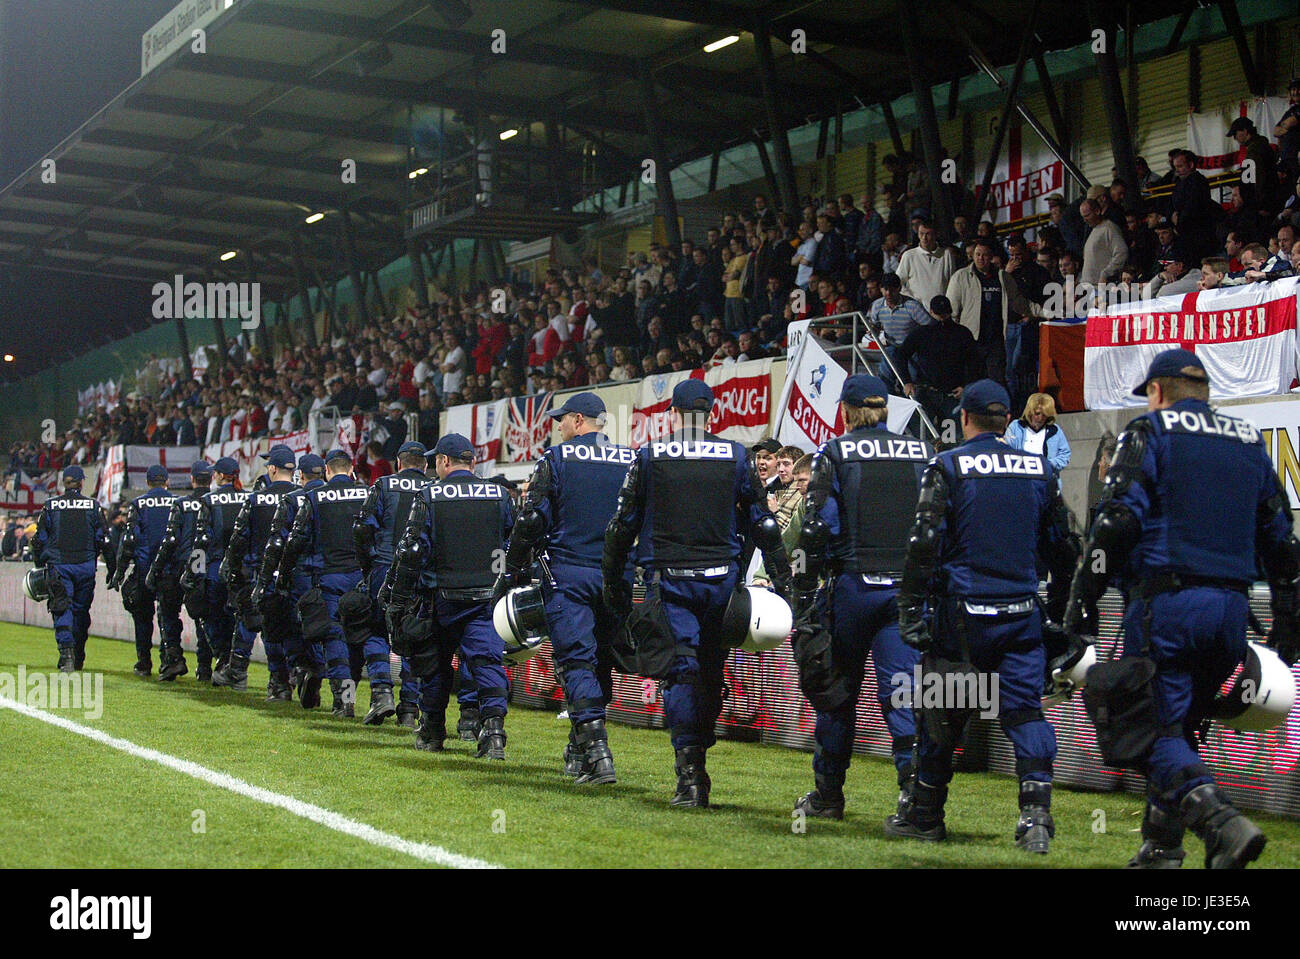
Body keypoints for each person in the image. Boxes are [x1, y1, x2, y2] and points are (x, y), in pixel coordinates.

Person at [1062, 349, 1298, 869]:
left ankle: (1220, 823)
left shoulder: (1150, 432)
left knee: (1140, 724)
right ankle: (1161, 848)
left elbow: (1117, 522)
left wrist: (1082, 600)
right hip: (1231, 614)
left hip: (1168, 605)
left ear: (1157, 391)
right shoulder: (1246, 440)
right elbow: (1280, 538)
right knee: (1183, 728)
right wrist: (1287, 612)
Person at [887, 380, 1078, 852]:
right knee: (1025, 715)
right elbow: (1065, 548)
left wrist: (911, 610)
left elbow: (923, 544)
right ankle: (1035, 819)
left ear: (965, 419)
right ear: (1007, 420)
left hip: (962, 621)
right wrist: (1059, 615)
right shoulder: (1039, 470)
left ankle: (925, 816)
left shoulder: (948, 466)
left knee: (939, 720)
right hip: (1020, 617)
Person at [603, 380, 793, 806]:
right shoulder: (737, 456)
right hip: (722, 585)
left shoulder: (651, 455)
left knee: (684, 673)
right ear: (712, 413)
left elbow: (621, 525)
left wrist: (611, 578)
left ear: (673, 414)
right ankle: (698, 762)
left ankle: (690, 775)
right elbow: (764, 523)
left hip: (671, 581)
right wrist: (785, 582)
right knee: (709, 673)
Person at [791, 375, 929, 821]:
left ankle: (828, 796)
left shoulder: (835, 453)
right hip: (904, 590)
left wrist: (804, 592)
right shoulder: (922, 452)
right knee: (903, 693)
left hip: (853, 588)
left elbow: (817, 528)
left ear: (847, 411)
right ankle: (914, 795)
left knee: (836, 693)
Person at [496, 393, 635, 783]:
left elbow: (531, 521)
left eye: (562, 421)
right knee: (602, 660)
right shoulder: (631, 459)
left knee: (576, 662)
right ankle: (578, 749)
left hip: (568, 574)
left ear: (578, 420)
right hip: (615, 576)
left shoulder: (556, 460)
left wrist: (514, 569)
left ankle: (597, 752)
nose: (558, 427)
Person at [385, 434, 514, 758]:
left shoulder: (429, 495)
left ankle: (432, 731)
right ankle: (494, 732)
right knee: (487, 663)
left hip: (440, 598)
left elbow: (412, 551)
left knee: (435, 668)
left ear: (443, 461)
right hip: (486, 599)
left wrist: (398, 600)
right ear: (471, 462)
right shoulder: (499, 495)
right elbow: (514, 545)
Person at [277, 449, 379, 720]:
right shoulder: (368, 493)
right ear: (350, 470)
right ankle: (377, 696)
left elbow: (296, 540)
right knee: (363, 637)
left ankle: (344, 701)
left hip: (330, 576)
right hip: (361, 577)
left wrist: (285, 575)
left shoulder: (314, 498)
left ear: (327, 470)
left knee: (335, 639)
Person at [355, 440, 432, 728]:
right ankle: (410, 709)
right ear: (425, 465)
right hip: (421, 574)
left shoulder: (383, 486)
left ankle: (381, 692)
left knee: (374, 630)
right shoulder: (433, 489)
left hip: (385, 567)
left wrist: (368, 565)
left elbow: (362, 528)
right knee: (414, 635)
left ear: (399, 463)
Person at [220, 445, 300, 701]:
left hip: (261, 573)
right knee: (293, 628)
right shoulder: (305, 497)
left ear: (273, 469)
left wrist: (232, 569)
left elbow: (239, 539)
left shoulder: (256, 499)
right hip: (296, 575)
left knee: (267, 627)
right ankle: (299, 675)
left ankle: (277, 682)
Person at [259, 453, 327, 709]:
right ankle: (340, 695)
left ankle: (295, 673)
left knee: (288, 627)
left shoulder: (289, 500)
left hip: (300, 574)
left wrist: (275, 577)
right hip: (334, 574)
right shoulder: (342, 496)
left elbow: (281, 543)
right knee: (328, 633)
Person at [32, 465, 114, 672]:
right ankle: (78, 655)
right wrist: (113, 569)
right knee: (80, 612)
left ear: (63, 483)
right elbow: (105, 541)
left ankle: (67, 653)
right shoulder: (93, 506)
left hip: (60, 567)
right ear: (81, 483)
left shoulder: (50, 506)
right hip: (86, 567)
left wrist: (39, 565)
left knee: (62, 608)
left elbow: (38, 541)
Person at [108, 464, 178, 677]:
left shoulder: (139, 504)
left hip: (144, 568)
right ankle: (170, 660)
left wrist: (119, 572)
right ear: (167, 482)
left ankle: (144, 662)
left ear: (147, 483)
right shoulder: (178, 502)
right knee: (169, 615)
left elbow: (129, 540)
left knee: (142, 616)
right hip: (170, 568)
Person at [147, 460, 213, 682]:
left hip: (178, 565)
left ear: (192, 479)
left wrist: (155, 569)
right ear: (211, 478)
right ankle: (204, 667)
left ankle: (173, 659)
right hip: (201, 564)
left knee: (167, 612)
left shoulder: (182, 504)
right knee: (202, 616)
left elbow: (170, 540)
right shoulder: (214, 501)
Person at [189, 457, 247, 687]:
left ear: (221, 476)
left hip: (215, 568)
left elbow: (201, 541)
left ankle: (224, 658)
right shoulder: (247, 497)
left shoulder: (209, 500)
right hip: (241, 569)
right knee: (236, 616)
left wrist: (194, 573)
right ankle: (235, 663)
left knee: (210, 615)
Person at [1003, 393, 1072, 472]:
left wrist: (1047, 465)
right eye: (1037, 414)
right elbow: (1006, 450)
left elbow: (1065, 455)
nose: (1040, 418)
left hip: (1046, 478)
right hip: (1021, 476)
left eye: (1044, 415)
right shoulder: (1016, 427)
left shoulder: (1055, 430)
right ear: (1029, 412)